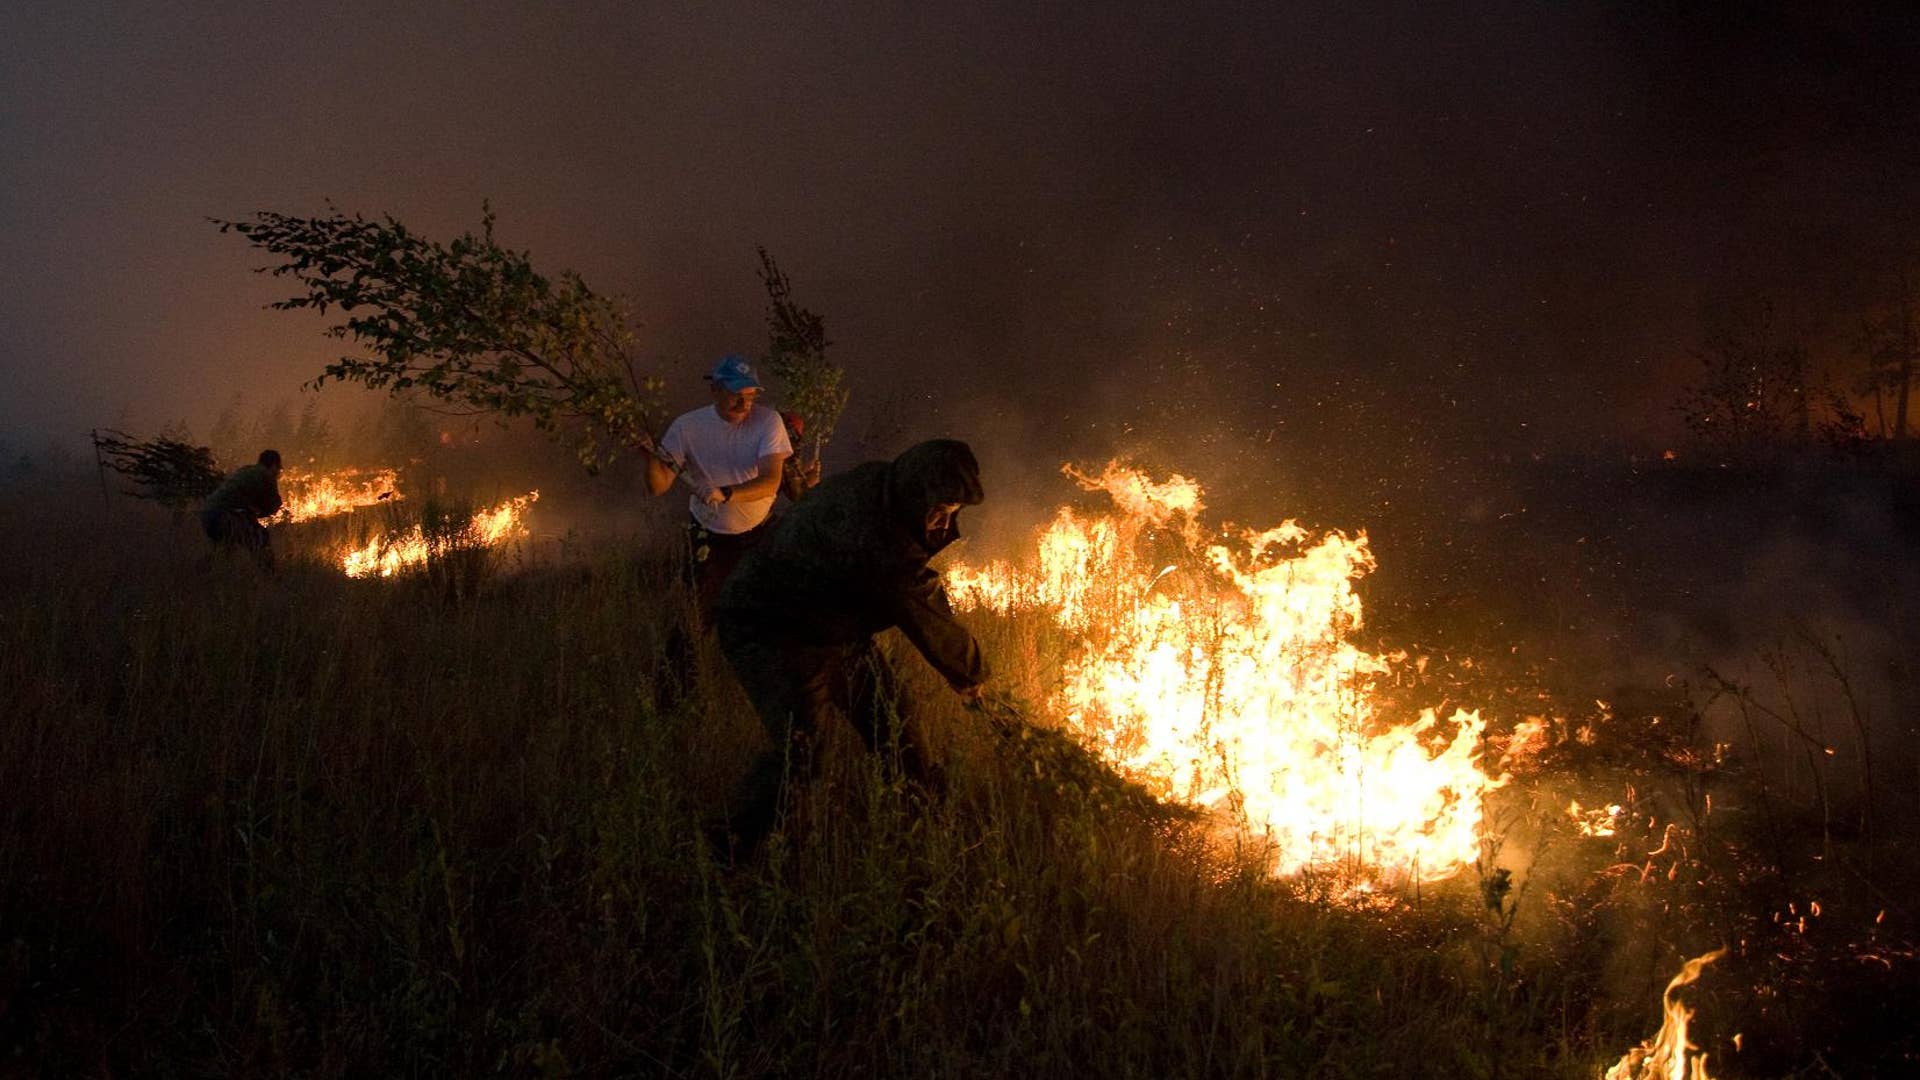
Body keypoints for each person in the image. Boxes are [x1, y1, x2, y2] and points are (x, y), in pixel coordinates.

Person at [710, 438, 989, 859]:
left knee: (896, 728)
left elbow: (911, 585)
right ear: (918, 493)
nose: (940, 523)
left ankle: (932, 835)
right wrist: (969, 676)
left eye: (951, 514)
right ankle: (728, 850)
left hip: (833, 628)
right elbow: (917, 601)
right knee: (802, 751)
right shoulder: (875, 528)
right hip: (773, 626)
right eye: (938, 511)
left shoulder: (888, 489)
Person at [640, 354, 794, 619]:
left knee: (768, 612)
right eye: (736, 394)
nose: (744, 403)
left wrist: (725, 494)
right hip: (708, 536)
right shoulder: (687, 426)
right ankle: (691, 656)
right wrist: (651, 458)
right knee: (696, 613)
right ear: (715, 390)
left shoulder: (769, 422)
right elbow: (659, 486)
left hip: (758, 534)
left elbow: (770, 481)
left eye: (751, 395)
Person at [199, 449, 284, 568]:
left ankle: (202, 575)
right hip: (224, 515)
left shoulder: (246, 471)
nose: (278, 472)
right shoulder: (265, 474)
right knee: (261, 537)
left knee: (225, 551)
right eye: (279, 468)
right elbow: (273, 504)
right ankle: (272, 578)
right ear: (274, 465)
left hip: (207, 515)